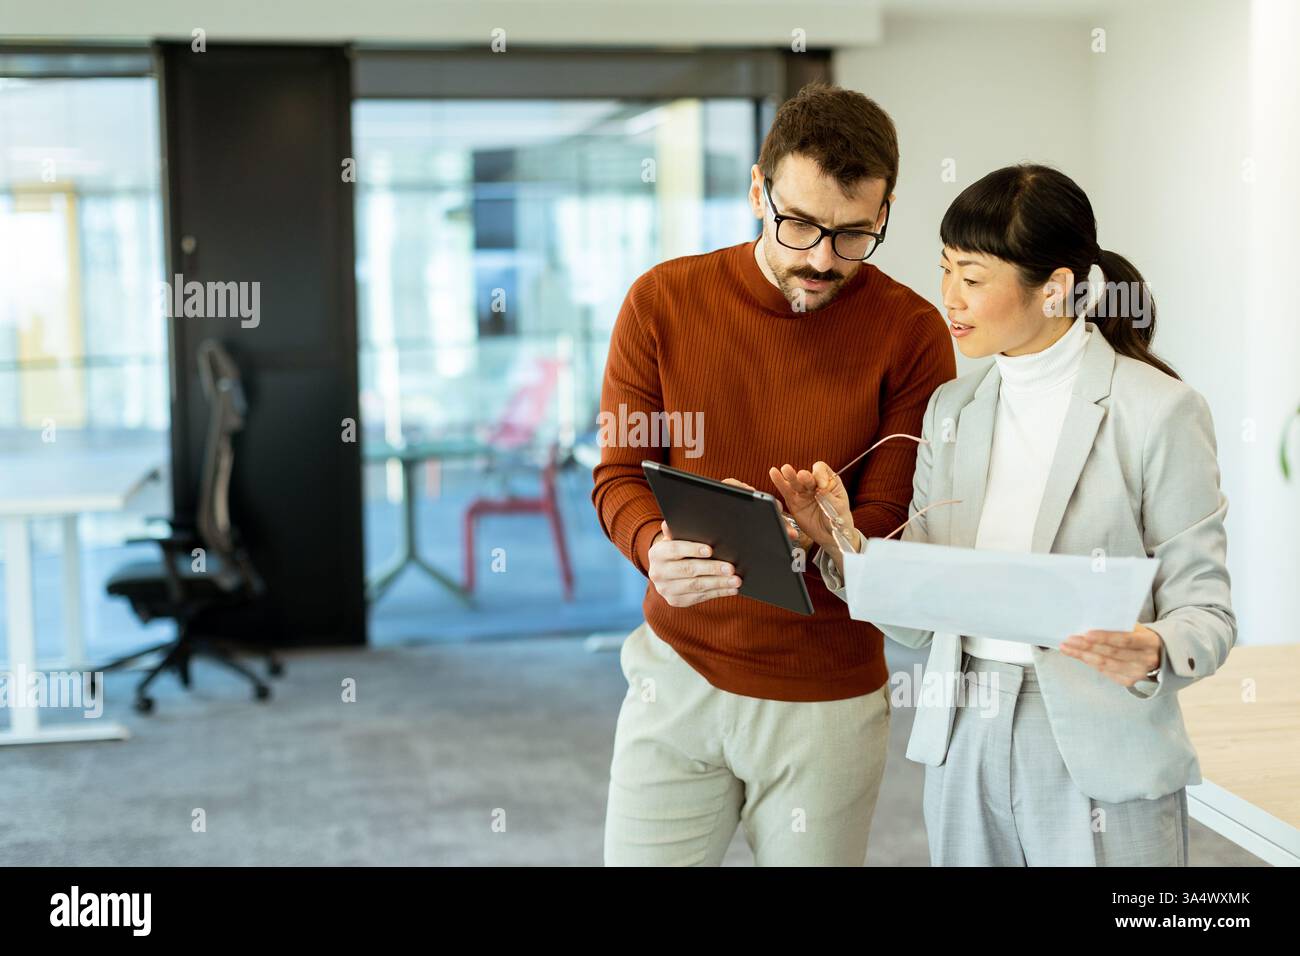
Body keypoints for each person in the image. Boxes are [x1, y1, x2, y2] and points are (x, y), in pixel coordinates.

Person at [773, 163, 1236, 866]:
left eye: (974, 277)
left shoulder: (1158, 412)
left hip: (1097, 738)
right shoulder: (952, 409)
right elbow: (923, 617)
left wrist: (1156, 647)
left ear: (1053, 288)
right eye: (945, 270)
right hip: (966, 733)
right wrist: (839, 540)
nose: (949, 298)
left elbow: (1207, 610)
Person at [591, 82, 955, 865]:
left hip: (826, 701)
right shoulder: (663, 301)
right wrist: (653, 546)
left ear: (885, 212)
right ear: (759, 192)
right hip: (676, 674)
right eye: (800, 224)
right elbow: (618, 473)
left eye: (855, 233)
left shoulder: (912, 332)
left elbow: (896, 523)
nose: (823, 258)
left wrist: (839, 536)